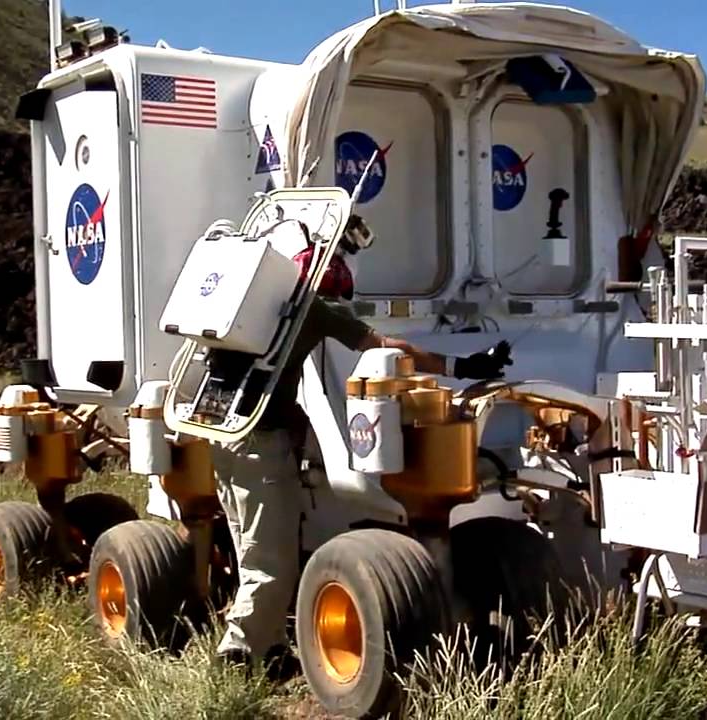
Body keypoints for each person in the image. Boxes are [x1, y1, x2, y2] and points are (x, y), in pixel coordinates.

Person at [212, 218, 512, 674]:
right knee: (270, 564)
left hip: (221, 435)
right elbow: (386, 347)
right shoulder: (311, 308)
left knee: (251, 549)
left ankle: (271, 649)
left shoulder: (240, 302)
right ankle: (233, 658)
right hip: (260, 443)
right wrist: (463, 364)